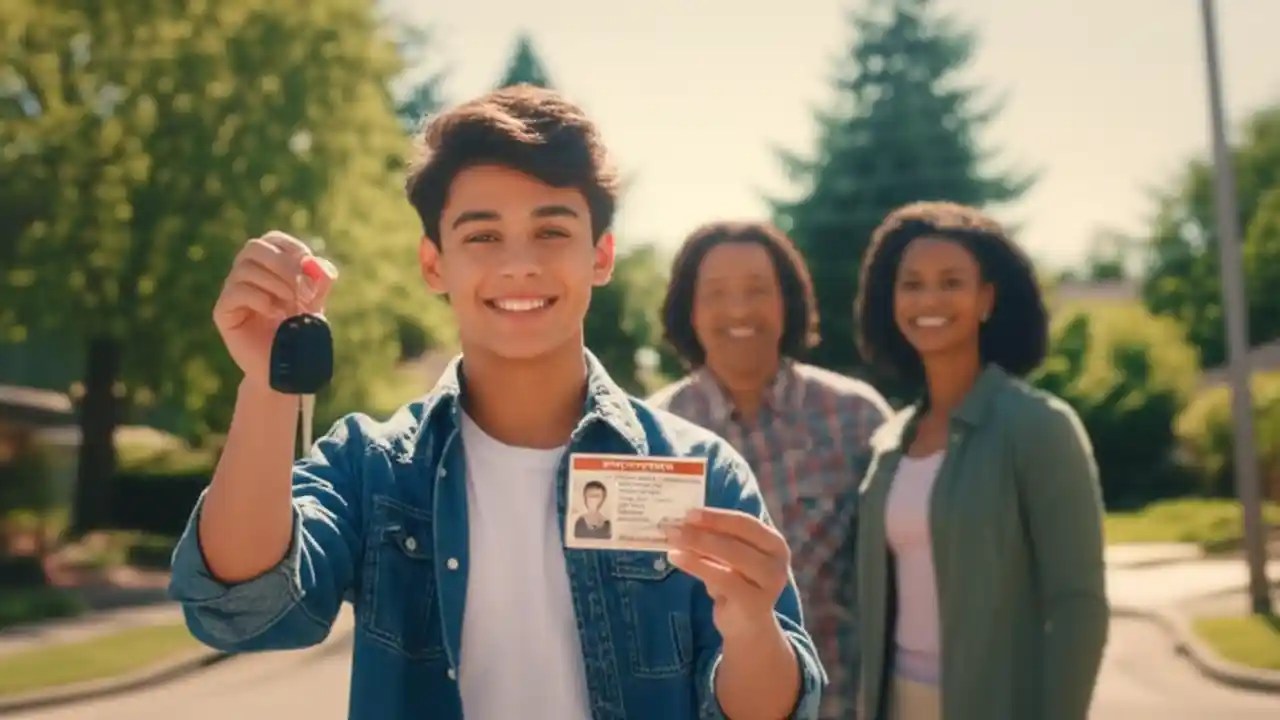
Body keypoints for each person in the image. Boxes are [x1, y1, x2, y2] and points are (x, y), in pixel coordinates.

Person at [167, 85, 826, 720]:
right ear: (434, 264)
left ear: (600, 255)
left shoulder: (703, 469)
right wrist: (268, 381)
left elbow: (770, 710)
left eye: (551, 231)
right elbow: (244, 609)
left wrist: (751, 627)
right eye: (483, 235)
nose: (519, 263)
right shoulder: (373, 465)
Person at [851, 201, 1109, 720]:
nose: (929, 299)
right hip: (895, 699)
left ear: (986, 299)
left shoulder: (1040, 428)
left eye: (951, 282)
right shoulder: (888, 442)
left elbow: (1078, 605)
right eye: (912, 283)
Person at [649, 221, 890, 719]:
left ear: (789, 303)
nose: (738, 309)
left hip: (839, 705)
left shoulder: (857, 419)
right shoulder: (651, 436)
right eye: (715, 293)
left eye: (757, 290)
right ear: (688, 310)